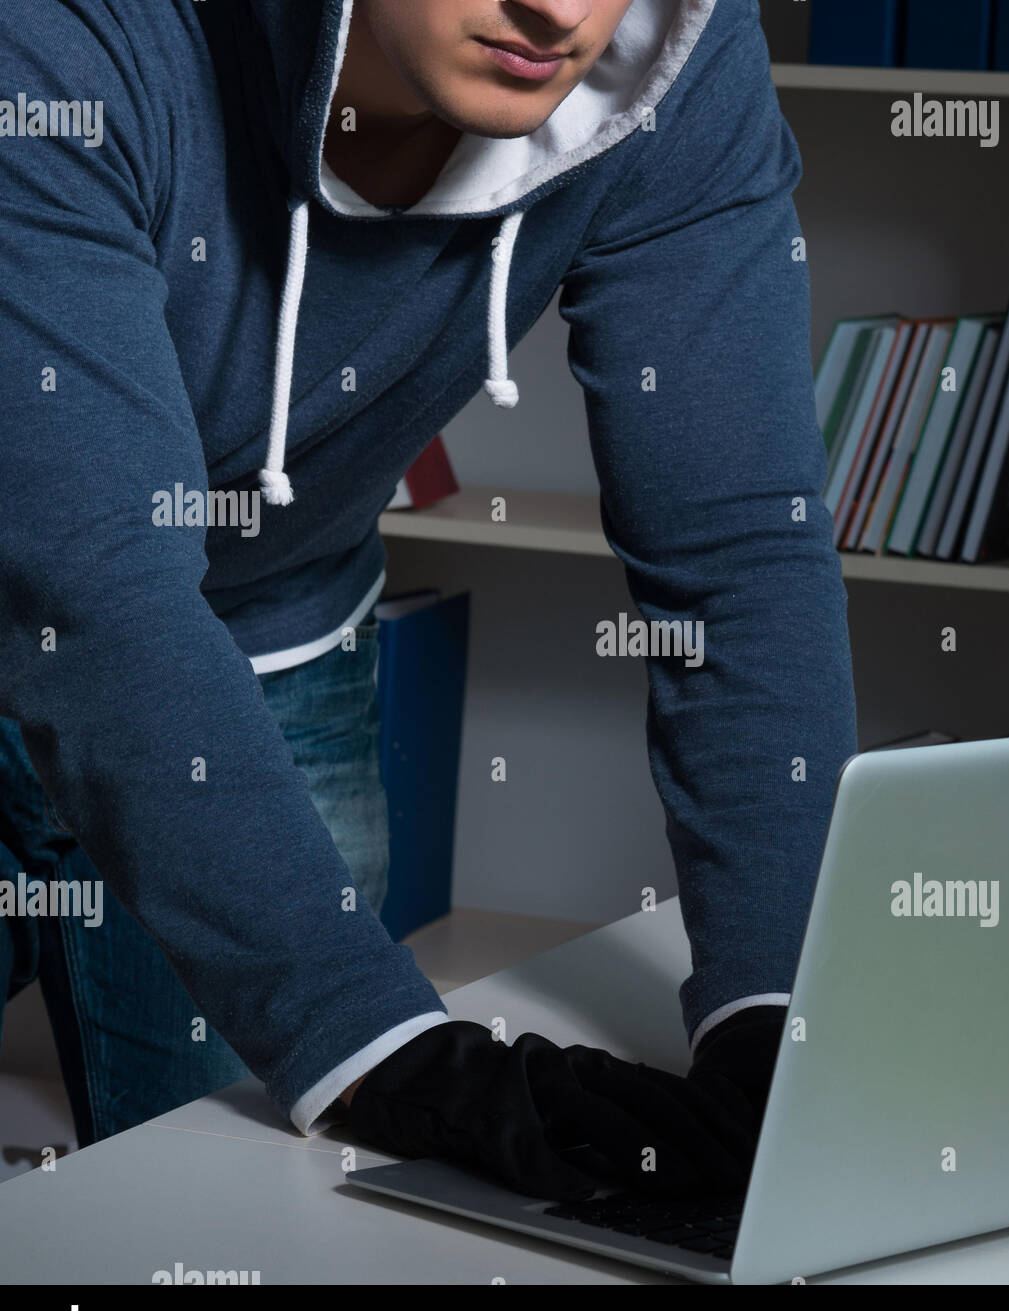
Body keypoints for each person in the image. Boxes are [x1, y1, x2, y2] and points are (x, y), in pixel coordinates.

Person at [0, 0, 857, 1202]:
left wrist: (782, 998)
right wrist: (392, 1053)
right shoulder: (55, 41)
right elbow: (93, 591)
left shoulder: (676, 53)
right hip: (85, 605)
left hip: (265, 647)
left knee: (234, 1221)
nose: (560, 11)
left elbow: (738, 551)